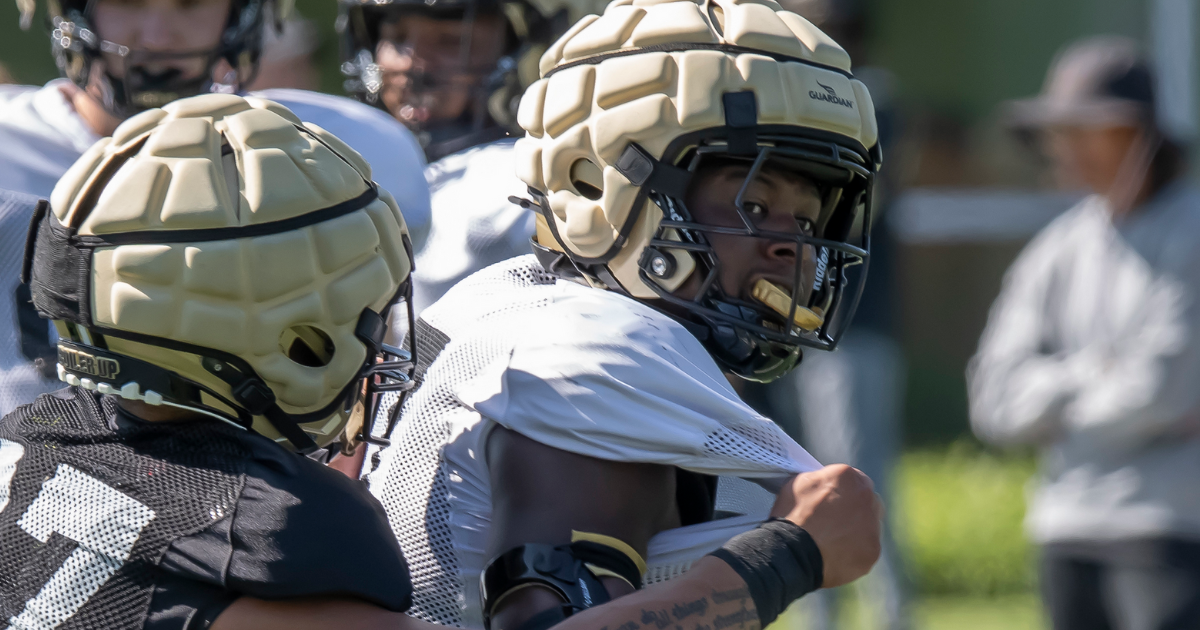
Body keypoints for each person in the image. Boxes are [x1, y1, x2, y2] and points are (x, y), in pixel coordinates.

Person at [359, 1, 885, 628]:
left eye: (805, 219)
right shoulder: (591, 361)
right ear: (596, 192)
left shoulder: (521, 306)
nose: (788, 245)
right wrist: (786, 557)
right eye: (753, 203)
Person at [1, 0, 431, 414]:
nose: (157, 36)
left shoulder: (343, 148)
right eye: (127, 1)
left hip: (267, 466)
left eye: (192, 3)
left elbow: (368, 352)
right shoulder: (9, 146)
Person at [969, 36, 1200, 630]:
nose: (1063, 147)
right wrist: (1098, 371)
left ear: (1142, 135)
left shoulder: (1191, 234)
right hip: (1064, 525)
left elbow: (1162, 389)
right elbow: (992, 400)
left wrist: (1052, 397)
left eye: (1086, 128)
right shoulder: (1055, 249)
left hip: (1169, 528)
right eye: (1057, 130)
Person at [337, 0, 606, 316]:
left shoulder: (516, 178)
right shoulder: (339, 161)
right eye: (397, 38)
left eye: (452, 41)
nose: (412, 64)